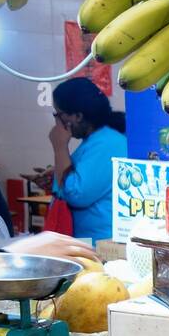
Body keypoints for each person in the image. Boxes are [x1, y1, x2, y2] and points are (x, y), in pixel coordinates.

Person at [47, 77, 127, 245]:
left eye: (58, 114)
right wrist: (53, 179)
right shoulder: (95, 141)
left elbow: (77, 194)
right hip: (88, 240)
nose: (56, 121)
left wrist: (60, 147)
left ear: (77, 116)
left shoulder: (107, 143)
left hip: (101, 244)